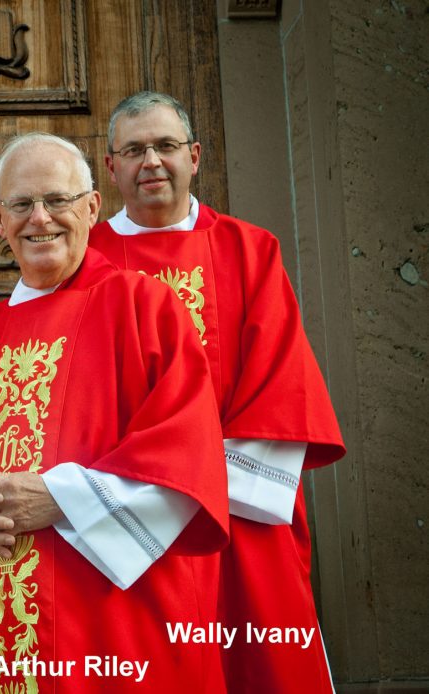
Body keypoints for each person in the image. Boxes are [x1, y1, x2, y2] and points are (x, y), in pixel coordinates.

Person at [0, 132, 231, 693]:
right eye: (22, 206)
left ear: (93, 208)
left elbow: (183, 459)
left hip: (110, 631)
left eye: (58, 201)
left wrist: (56, 498)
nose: (40, 219)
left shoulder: (143, 307)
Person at [89, 91, 345, 694]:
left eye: (165, 146)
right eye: (133, 150)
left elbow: (283, 385)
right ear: (111, 167)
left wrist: (200, 480)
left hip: (239, 508)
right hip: (124, 503)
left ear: (195, 156)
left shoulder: (250, 250)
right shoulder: (87, 259)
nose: (151, 161)